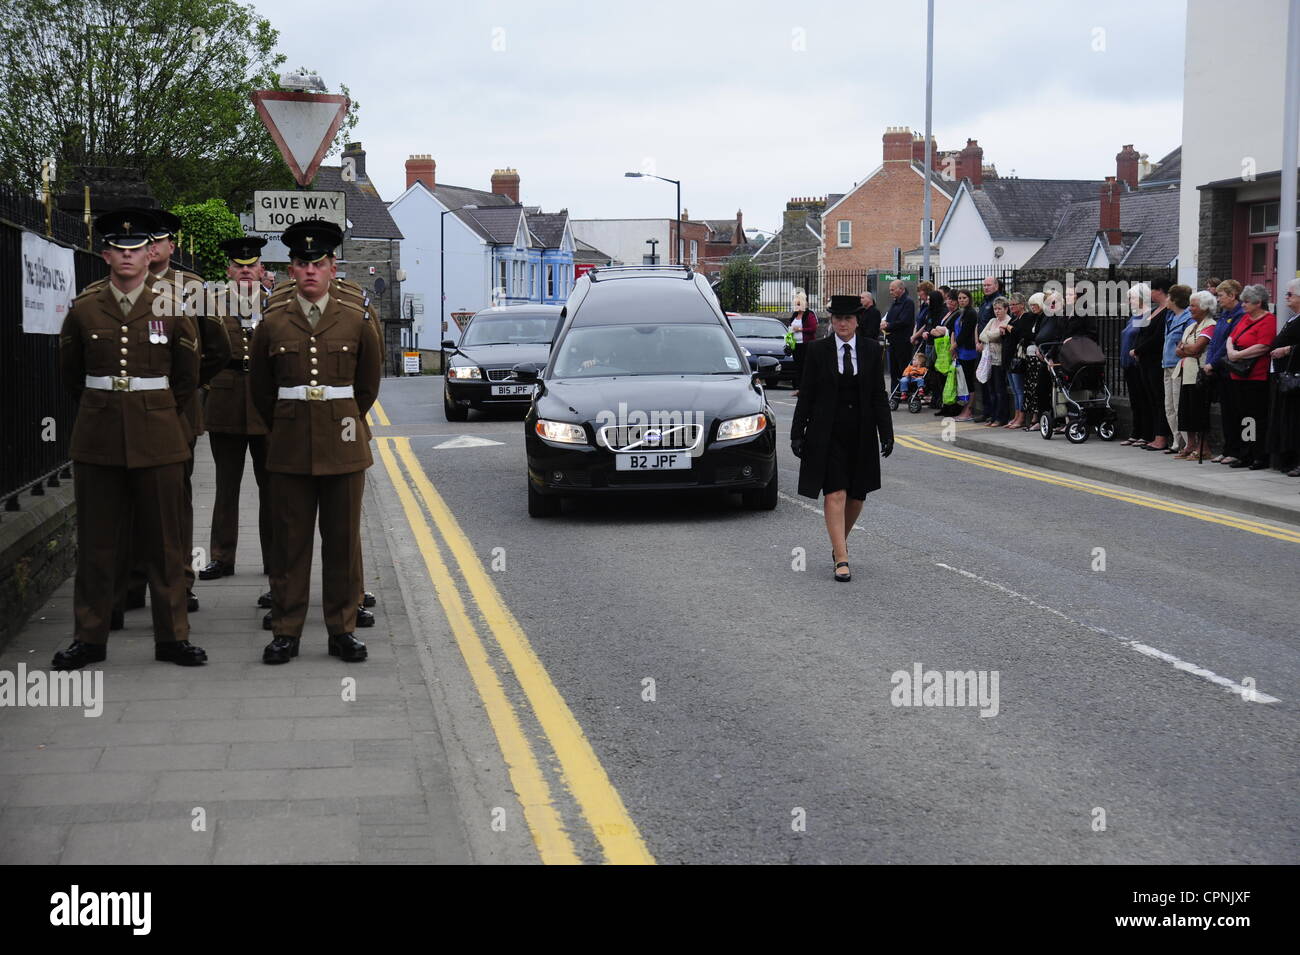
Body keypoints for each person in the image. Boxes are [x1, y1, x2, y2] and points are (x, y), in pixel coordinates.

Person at [52, 209, 206, 670]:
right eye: (118, 249)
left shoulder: (173, 304)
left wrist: (154, 411)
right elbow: (71, 375)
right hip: (98, 436)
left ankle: (173, 637)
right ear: (105, 254)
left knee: (165, 544)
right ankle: (90, 638)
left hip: (158, 436)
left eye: (135, 249)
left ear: (148, 255)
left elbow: (186, 377)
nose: (127, 256)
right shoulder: (84, 306)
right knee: (98, 542)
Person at [250, 220, 382, 664]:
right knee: (290, 542)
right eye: (302, 264)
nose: (310, 271)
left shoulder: (356, 316)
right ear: (291, 270)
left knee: (341, 541)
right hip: (288, 443)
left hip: (343, 443)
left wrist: (343, 419)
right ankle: (286, 631)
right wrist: (286, 423)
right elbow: (261, 391)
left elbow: (367, 386)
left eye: (318, 264)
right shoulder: (272, 321)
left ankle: (342, 629)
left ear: (332, 268)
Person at [144, 211, 230, 612]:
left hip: (178, 411)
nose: (152, 246)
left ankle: (181, 580)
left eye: (159, 240)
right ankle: (130, 584)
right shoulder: (116, 287)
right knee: (128, 500)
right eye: (147, 240)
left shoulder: (190, 286)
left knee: (176, 498)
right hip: (126, 412)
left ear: (171, 246)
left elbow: (217, 348)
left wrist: (193, 387)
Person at [790, 295, 893, 583]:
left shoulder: (872, 350)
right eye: (837, 319)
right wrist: (797, 433)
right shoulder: (817, 351)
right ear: (832, 321)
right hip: (827, 432)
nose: (842, 323)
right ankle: (842, 557)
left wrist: (886, 432)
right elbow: (807, 394)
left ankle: (838, 544)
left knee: (857, 496)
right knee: (835, 492)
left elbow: (878, 395)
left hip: (861, 432)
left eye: (848, 319)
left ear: (857, 321)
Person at [199, 236, 271, 584]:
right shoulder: (211, 304)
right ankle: (221, 557)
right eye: (239, 267)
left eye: (251, 266)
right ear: (229, 270)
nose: (245, 272)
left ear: (261, 269)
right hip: (225, 400)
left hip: (264, 404)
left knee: (272, 487)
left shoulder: (276, 305)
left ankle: (275, 558)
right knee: (226, 487)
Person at [1224, 284, 1276, 470]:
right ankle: (1245, 453)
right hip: (1238, 375)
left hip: (1256, 376)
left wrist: (1237, 355)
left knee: (1255, 418)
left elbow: (1264, 345)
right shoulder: (1245, 318)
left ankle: (1258, 455)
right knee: (1243, 417)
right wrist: (1230, 351)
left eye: (1246, 302)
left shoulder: (1268, 321)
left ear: (1258, 303)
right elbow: (1231, 337)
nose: (1243, 305)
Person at [1173, 290, 1218, 460]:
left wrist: (1186, 348)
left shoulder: (1210, 325)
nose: (1190, 309)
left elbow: (1197, 348)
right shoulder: (1191, 326)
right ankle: (1190, 444)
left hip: (1199, 375)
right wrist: (1187, 349)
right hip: (1186, 373)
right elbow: (1179, 350)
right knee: (1186, 412)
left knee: (1199, 412)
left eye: (1193, 305)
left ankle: (1203, 447)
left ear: (1205, 307)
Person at [1204, 280, 1244, 462]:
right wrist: (1209, 362)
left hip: (1229, 370)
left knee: (1235, 412)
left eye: (1220, 296)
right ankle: (1228, 449)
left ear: (1232, 295)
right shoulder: (1224, 314)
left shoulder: (1240, 315)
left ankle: (1235, 451)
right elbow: (1214, 342)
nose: (1217, 299)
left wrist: (1214, 363)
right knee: (1226, 413)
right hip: (1219, 370)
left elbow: (1229, 342)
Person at [1131, 278, 1174, 450]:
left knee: (1159, 399)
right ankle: (1153, 435)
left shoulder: (1167, 312)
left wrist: (1138, 350)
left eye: (1152, 289)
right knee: (1150, 399)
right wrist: (1137, 349)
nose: (1149, 293)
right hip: (1144, 361)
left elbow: (1157, 339)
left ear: (1160, 291)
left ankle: (1161, 437)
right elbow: (1141, 332)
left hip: (1156, 361)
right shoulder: (1154, 310)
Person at [1266, 278, 1300, 476]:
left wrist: (1287, 349)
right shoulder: (1292, 318)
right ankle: (1287, 459)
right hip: (1285, 377)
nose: (1286, 298)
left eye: (1290, 294)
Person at [1159, 285, 1195, 454]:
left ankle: (1189, 443)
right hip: (1167, 364)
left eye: (1168, 297)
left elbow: (1187, 341)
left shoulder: (1188, 318)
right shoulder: (1170, 316)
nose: (1165, 299)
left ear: (1174, 299)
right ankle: (1176, 440)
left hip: (1179, 365)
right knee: (1169, 406)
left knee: (1179, 404)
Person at [1119, 284, 1154, 446]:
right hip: (1128, 365)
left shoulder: (1148, 315)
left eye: (1132, 298)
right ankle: (1136, 431)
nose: (1129, 301)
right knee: (1134, 400)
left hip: (1139, 365)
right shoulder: (1133, 317)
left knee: (1143, 400)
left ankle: (1146, 434)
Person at [1001, 293, 1031, 429]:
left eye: (1014, 305)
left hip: (1018, 359)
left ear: (1022, 305)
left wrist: (1009, 328)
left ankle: (1021, 417)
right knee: (1014, 390)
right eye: (1010, 305)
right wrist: (1005, 330)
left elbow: (1023, 334)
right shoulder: (1014, 318)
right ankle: (1016, 415)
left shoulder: (1026, 317)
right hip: (1009, 358)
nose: (1011, 307)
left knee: (1019, 390)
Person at [977, 296, 1009, 426]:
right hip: (988, 358)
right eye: (995, 309)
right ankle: (993, 415)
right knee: (991, 390)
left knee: (1000, 390)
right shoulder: (992, 321)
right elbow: (981, 335)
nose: (997, 311)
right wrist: (992, 335)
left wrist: (990, 335)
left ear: (1006, 309)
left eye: (999, 308)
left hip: (999, 359)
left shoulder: (1008, 321)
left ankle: (1001, 418)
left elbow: (997, 336)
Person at [881, 280, 915, 391]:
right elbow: (890, 317)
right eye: (890, 289)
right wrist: (885, 323)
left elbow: (904, 321)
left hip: (903, 341)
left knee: (903, 368)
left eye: (892, 289)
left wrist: (888, 325)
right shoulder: (895, 302)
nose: (890, 292)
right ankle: (895, 392)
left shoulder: (908, 302)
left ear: (901, 289)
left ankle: (905, 391)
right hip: (893, 341)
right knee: (893, 369)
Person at [952, 290, 980, 421]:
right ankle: (964, 408)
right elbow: (954, 330)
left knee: (968, 381)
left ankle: (968, 410)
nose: (961, 300)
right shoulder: (961, 312)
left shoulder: (971, 313)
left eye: (964, 298)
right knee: (963, 381)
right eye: (959, 298)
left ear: (969, 298)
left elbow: (965, 333)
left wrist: (953, 347)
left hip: (968, 352)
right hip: (961, 351)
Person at [789, 289, 816, 395]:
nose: (798, 305)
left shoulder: (809, 315)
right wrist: (789, 343)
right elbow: (790, 330)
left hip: (806, 345)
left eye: (799, 303)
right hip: (796, 345)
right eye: (796, 303)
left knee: (806, 367)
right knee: (798, 367)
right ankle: (798, 388)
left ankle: (806, 388)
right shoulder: (794, 316)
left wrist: (800, 329)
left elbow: (813, 329)